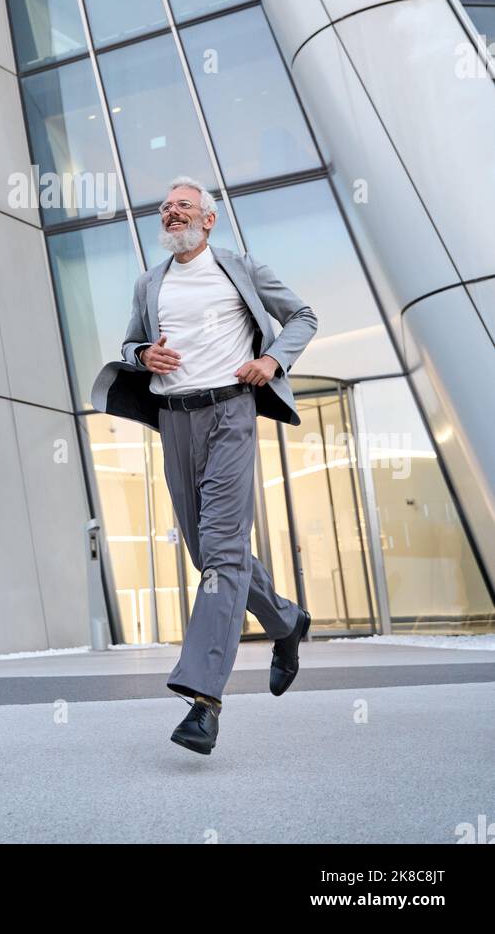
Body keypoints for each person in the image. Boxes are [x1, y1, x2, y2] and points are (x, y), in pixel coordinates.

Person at [91, 176, 318, 756]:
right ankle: (287, 622)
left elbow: (303, 316)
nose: (170, 213)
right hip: (175, 420)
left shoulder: (239, 266)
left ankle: (203, 700)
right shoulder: (150, 282)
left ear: (208, 220)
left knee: (220, 550)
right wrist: (143, 356)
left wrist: (271, 359)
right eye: (165, 208)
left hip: (231, 413)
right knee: (209, 550)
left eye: (182, 206)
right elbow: (129, 347)